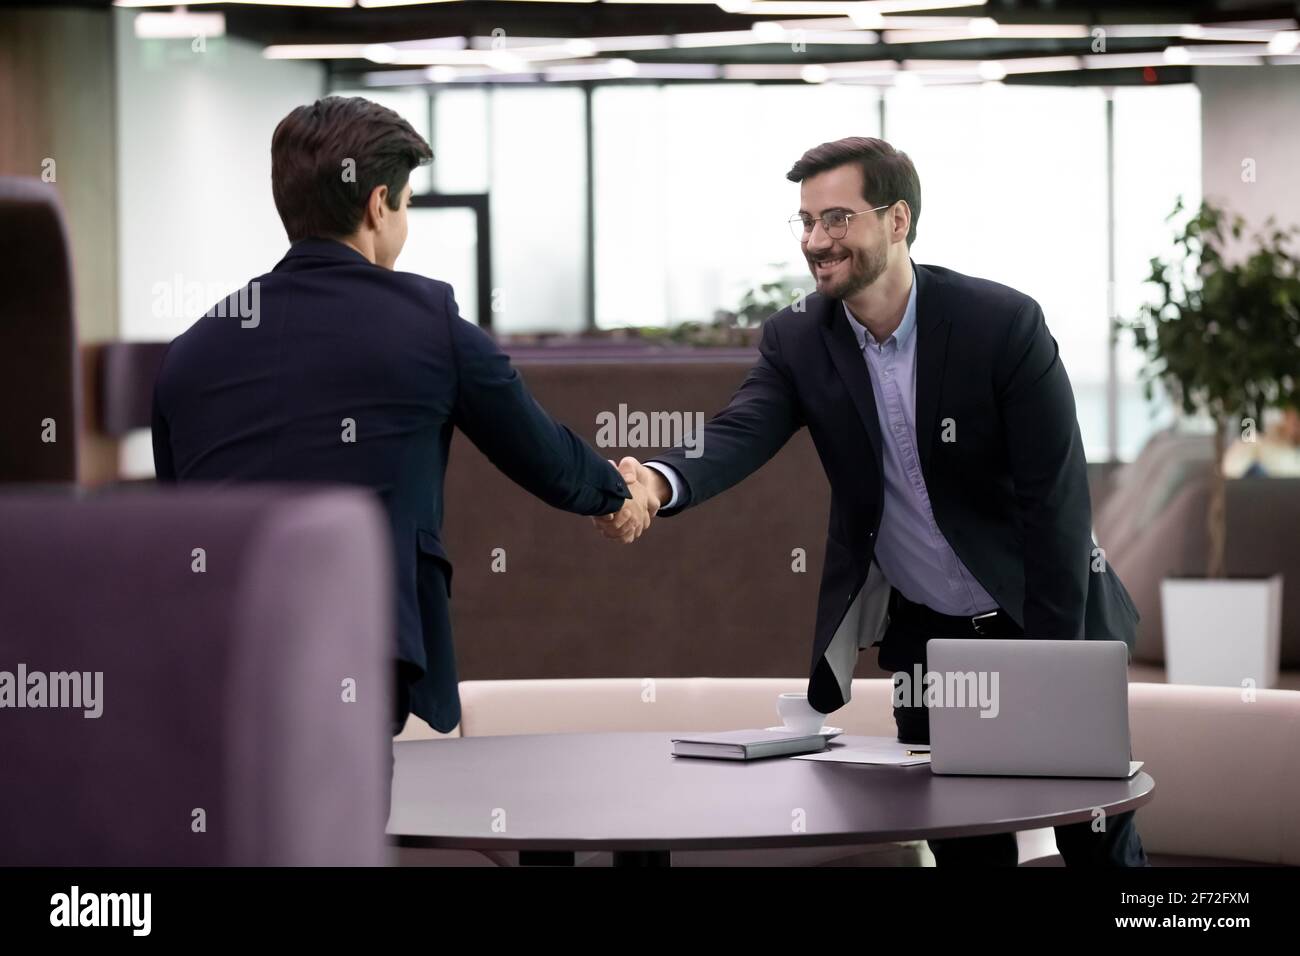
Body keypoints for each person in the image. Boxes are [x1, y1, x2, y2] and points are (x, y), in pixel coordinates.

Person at [596, 136, 1148, 867]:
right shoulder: (800, 338)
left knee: (1095, 843)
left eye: (836, 219)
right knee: (966, 847)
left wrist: (1047, 667)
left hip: (1047, 615)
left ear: (897, 221)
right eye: (804, 222)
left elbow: (1056, 504)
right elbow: (740, 431)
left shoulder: (1000, 325)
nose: (815, 241)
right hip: (930, 642)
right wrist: (657, 484)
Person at [151, 96, 657, 758]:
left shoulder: (193, 348)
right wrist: (622, 492)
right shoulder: (426, 320)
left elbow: (173, 509)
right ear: (378, 205)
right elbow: (546, 461)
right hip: (351, 658)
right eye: (409, 205)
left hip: (208, 657)